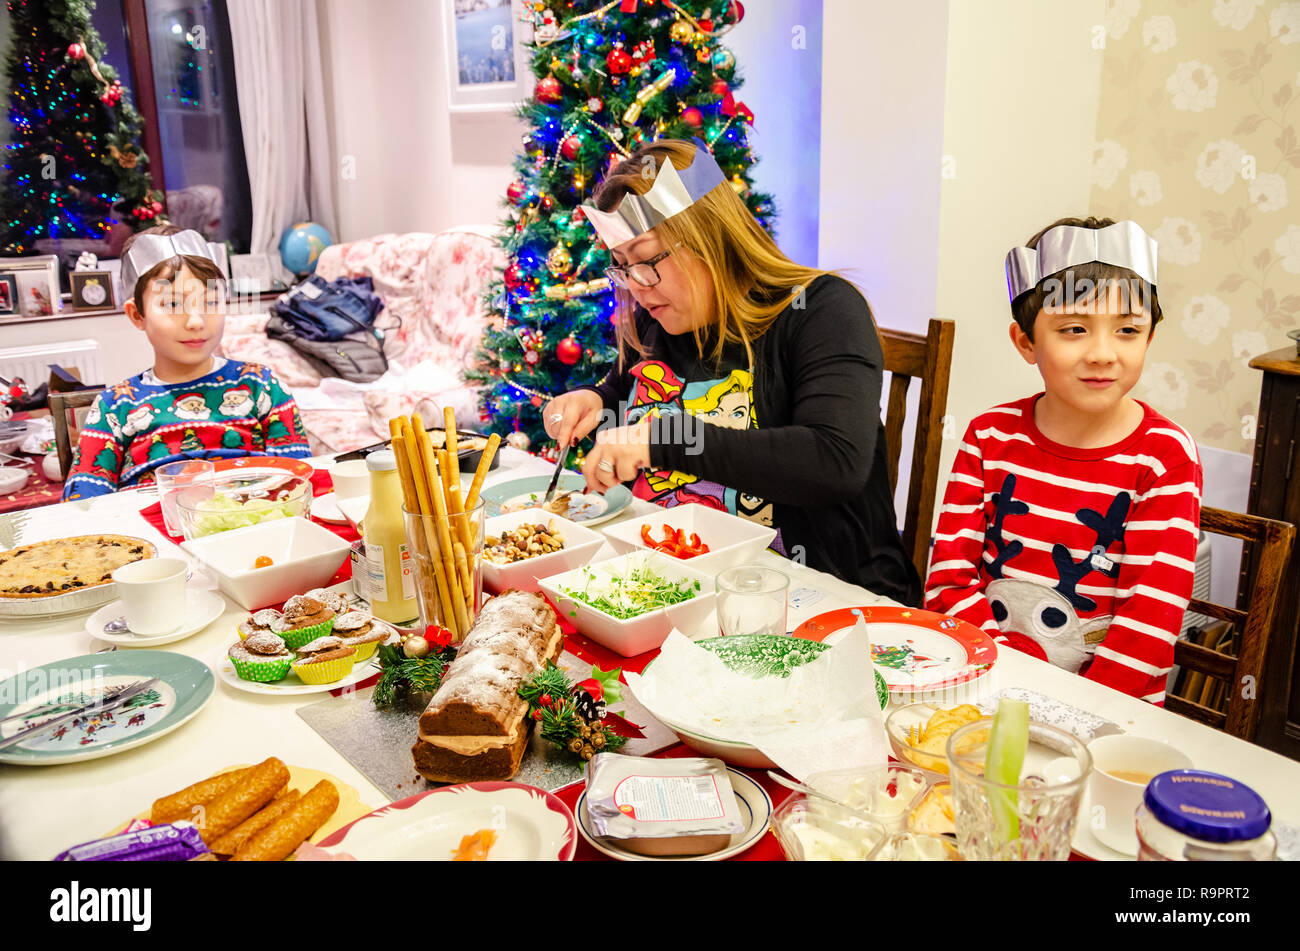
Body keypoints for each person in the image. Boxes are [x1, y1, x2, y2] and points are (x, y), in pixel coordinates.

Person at [542, 138, 922, 605]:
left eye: (648, 261)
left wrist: (664, 440)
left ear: (709, 236)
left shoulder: (822, 311)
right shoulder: (663, 317)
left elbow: (834, 461)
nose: (638, 288)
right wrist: (594, 400)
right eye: (623, 267)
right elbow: (625, 392)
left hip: (828, 598)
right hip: (688, 584)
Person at [925, 216, 1202, 705]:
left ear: (1149, 339)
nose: (1102, 353)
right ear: (1026, 342)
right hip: (983, 689)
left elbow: (1149, 623)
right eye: (1074, 328)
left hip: (1103, 717)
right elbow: (949, 579)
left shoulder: (1165, 457)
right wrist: (1005, 690)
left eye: (1127, 330)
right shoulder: (988, 436)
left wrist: (1072, 714)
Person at [63, 226, 311, 500]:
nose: (196, 322)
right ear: (137, 315)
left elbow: (297, 481)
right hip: (152, 534)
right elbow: (82, 502)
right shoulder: (116, 405)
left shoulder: (261, 386)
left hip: (253, 529)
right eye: (172, 305)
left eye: (211, 302)